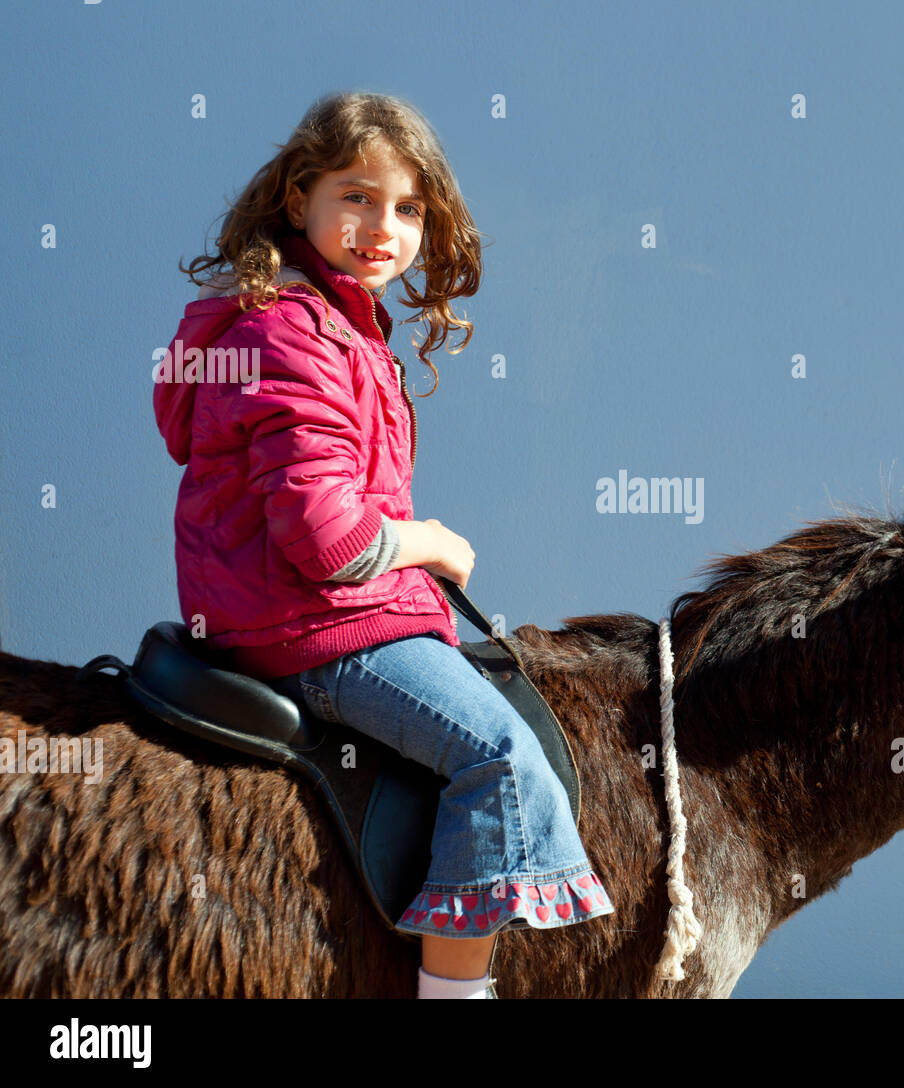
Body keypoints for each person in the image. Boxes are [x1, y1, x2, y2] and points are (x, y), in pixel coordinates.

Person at [154, 91, 613, 999]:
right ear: (300, 199)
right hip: (312, 625)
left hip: (296, 611)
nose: (382, 226)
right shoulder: (294, 331)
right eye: (357, 196)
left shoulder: (333, 324)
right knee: (502, 758)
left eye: (408, 208)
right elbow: (326, 540)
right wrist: (429, 544)